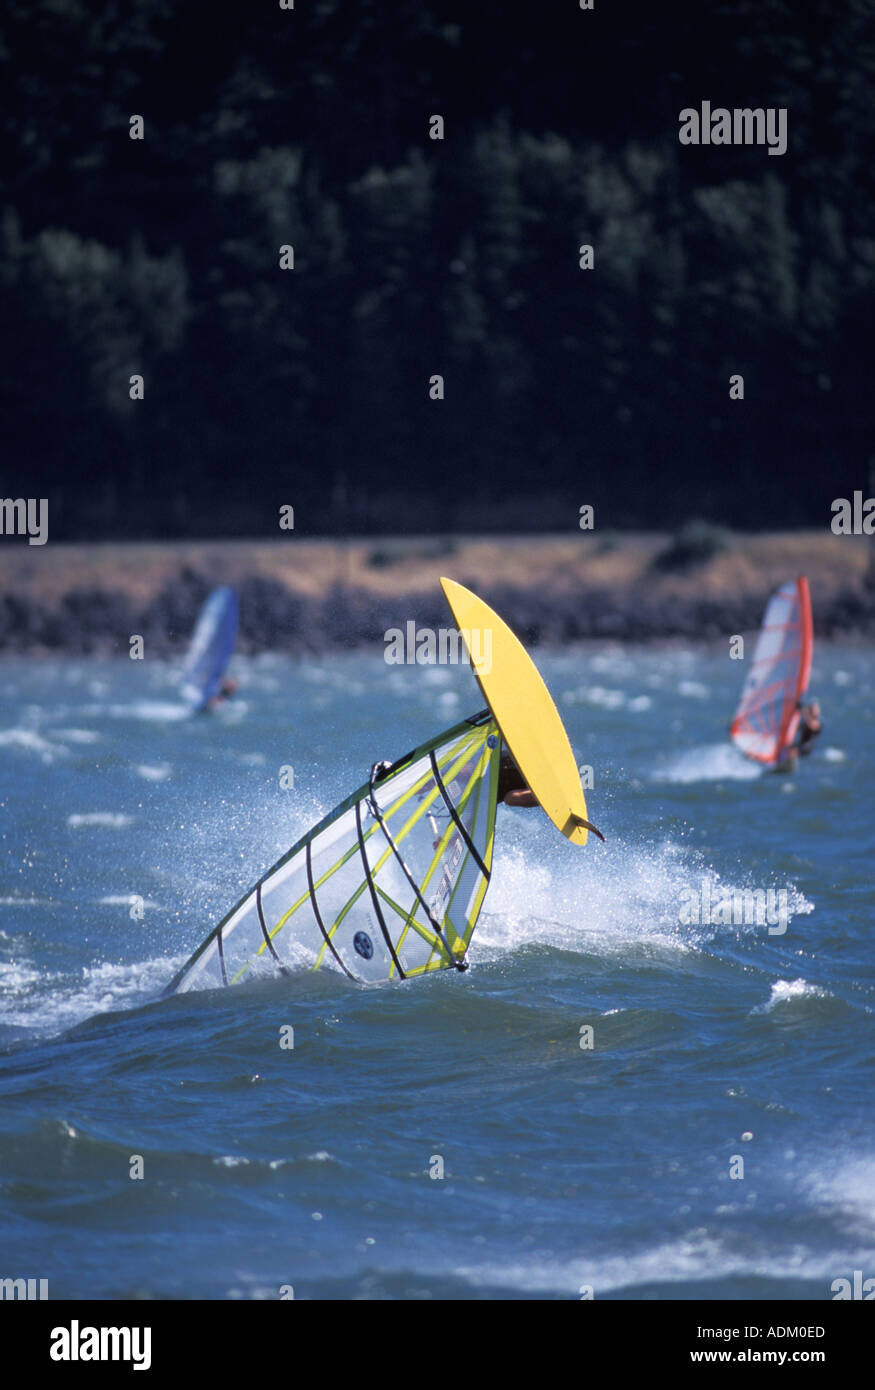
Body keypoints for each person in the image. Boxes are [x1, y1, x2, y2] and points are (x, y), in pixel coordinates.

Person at [497, 747, 605, 839]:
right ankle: (557, 793)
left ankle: (557, 792)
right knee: (510, 798)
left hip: (507, 764)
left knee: (510, 798)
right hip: (510, 780)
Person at [772, 699, 822, 773]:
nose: (816, 711)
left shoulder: (817, 723)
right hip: (800, 744)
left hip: (806, 747)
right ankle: (779, 764)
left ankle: (789, 767)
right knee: (785, 748)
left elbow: (811, 724)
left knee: (792, 751)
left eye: (817, 710)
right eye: (814, 709)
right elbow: (798, 726)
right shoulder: (806, 721)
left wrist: (803, 710)